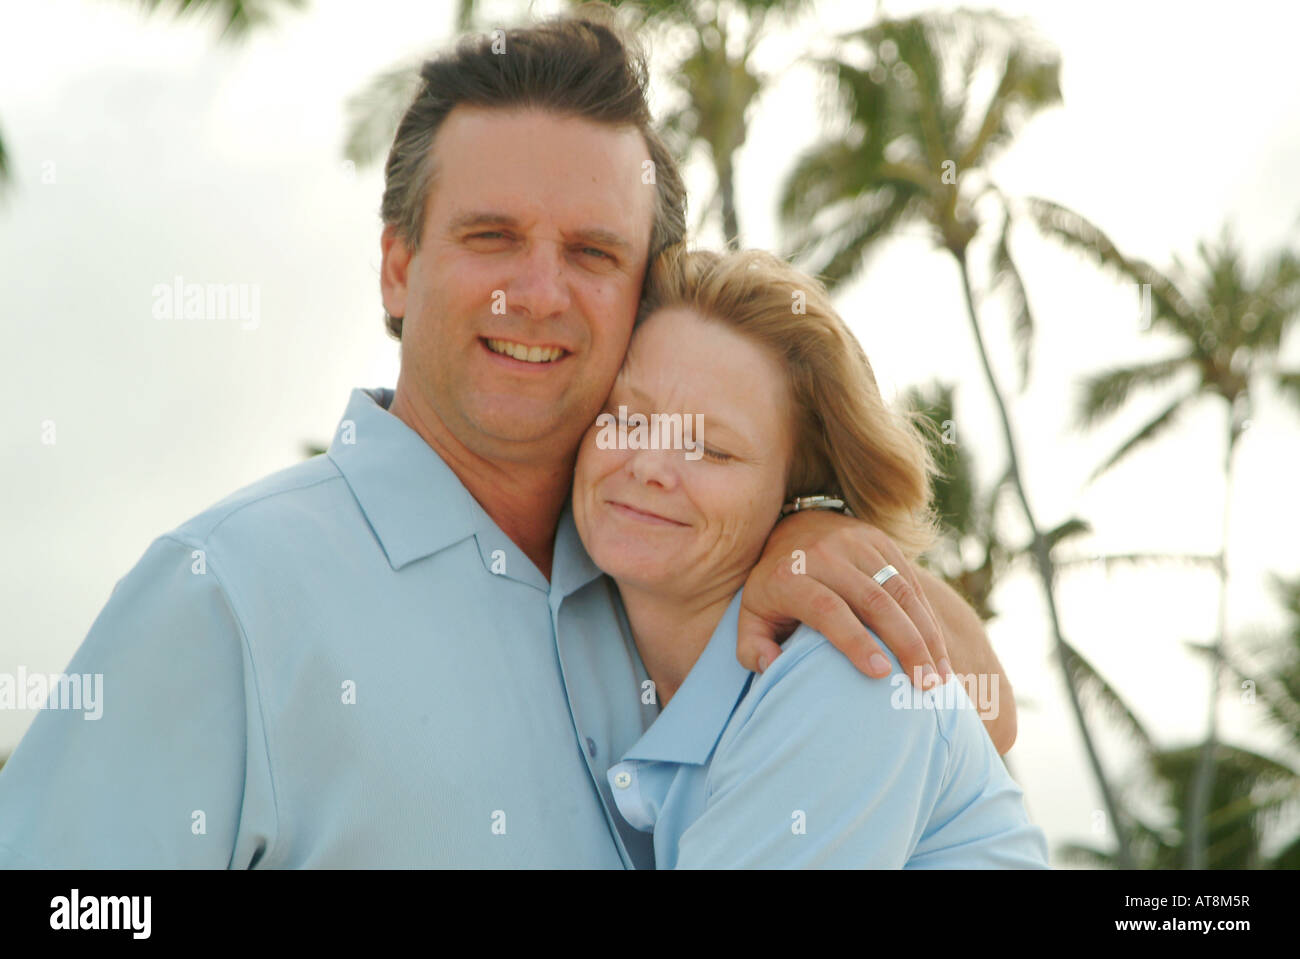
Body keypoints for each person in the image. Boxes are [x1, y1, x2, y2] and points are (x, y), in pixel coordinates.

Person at [0, 9, 1014, 869]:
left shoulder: (667, 564)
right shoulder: (224, 591)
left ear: (639, 299)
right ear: (397, 266)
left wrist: (816, 531)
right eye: (490, 236)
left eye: (591, 251)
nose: (536, 293)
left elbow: (972, 716)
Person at [572, 247, 1049, 867]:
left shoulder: (847, 672)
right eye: (628, 419)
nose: (650, 464)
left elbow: (988, 706)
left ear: (793, 498)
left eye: (713, 449)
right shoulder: (575, 613)